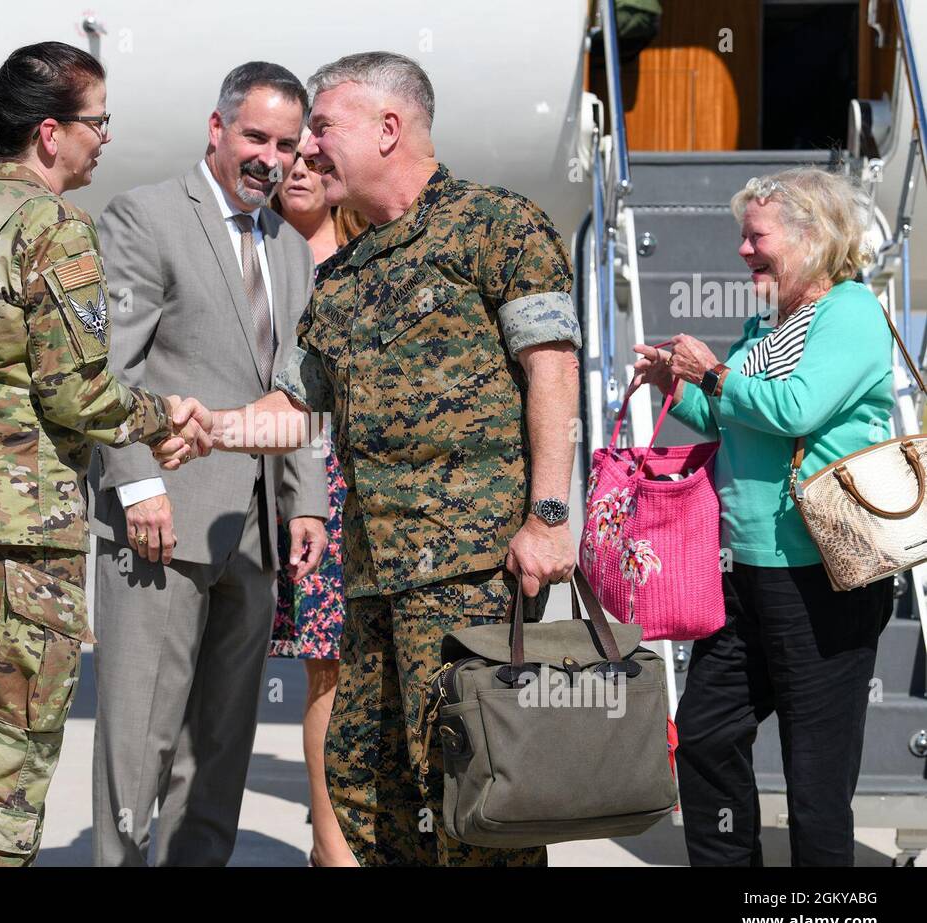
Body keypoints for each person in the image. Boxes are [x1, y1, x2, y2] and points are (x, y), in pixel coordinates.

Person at [157, 52, 582, 867]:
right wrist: (213, 426)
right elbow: (295, 408)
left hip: (472, 576)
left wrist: (549, 517)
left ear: (389, 129)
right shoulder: (345, 276)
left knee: (476, 797)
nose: (306, 148)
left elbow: (553, 371)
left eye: (323, 126)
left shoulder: (496, 226)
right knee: (368, 793)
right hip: (370, 586)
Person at [0, 41, 207, 867]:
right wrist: (164, 417)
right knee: (5, 784)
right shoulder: (54, 228)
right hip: (9, 546)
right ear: (50, 133)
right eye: (99, 122)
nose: (106, 139)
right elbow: (76, 394)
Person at [86, 62, 329, 867]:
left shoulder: (290, 249)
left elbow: (296, 386)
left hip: (254, 537)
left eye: (287, 145)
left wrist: (305, 499)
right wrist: (138, 487)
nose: (271, 158)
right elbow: (111, 374)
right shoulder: (146, 217)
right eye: (256, 137)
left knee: (220, 747)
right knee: (141, 740)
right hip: (162, 519)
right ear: (217, 128)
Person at [633, 166, 896, 866]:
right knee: (706, 736)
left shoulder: (850, 312)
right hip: (743, 574)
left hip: (823, 576)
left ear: (812, 238)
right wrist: (676, 386)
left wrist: (713, 373)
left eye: (757, 236)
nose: (743, 249)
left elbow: (797, 409)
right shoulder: (769, 323)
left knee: (815, 778)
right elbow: (736, 418)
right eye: (742, 236)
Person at [267, 136, 367, 867]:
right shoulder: (260, 258)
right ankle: (331, 846)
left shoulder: (374, 258)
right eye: (289, 159)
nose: (299, 169)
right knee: (328, 667)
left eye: (314, 157)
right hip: (305, 486)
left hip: (381, 486)